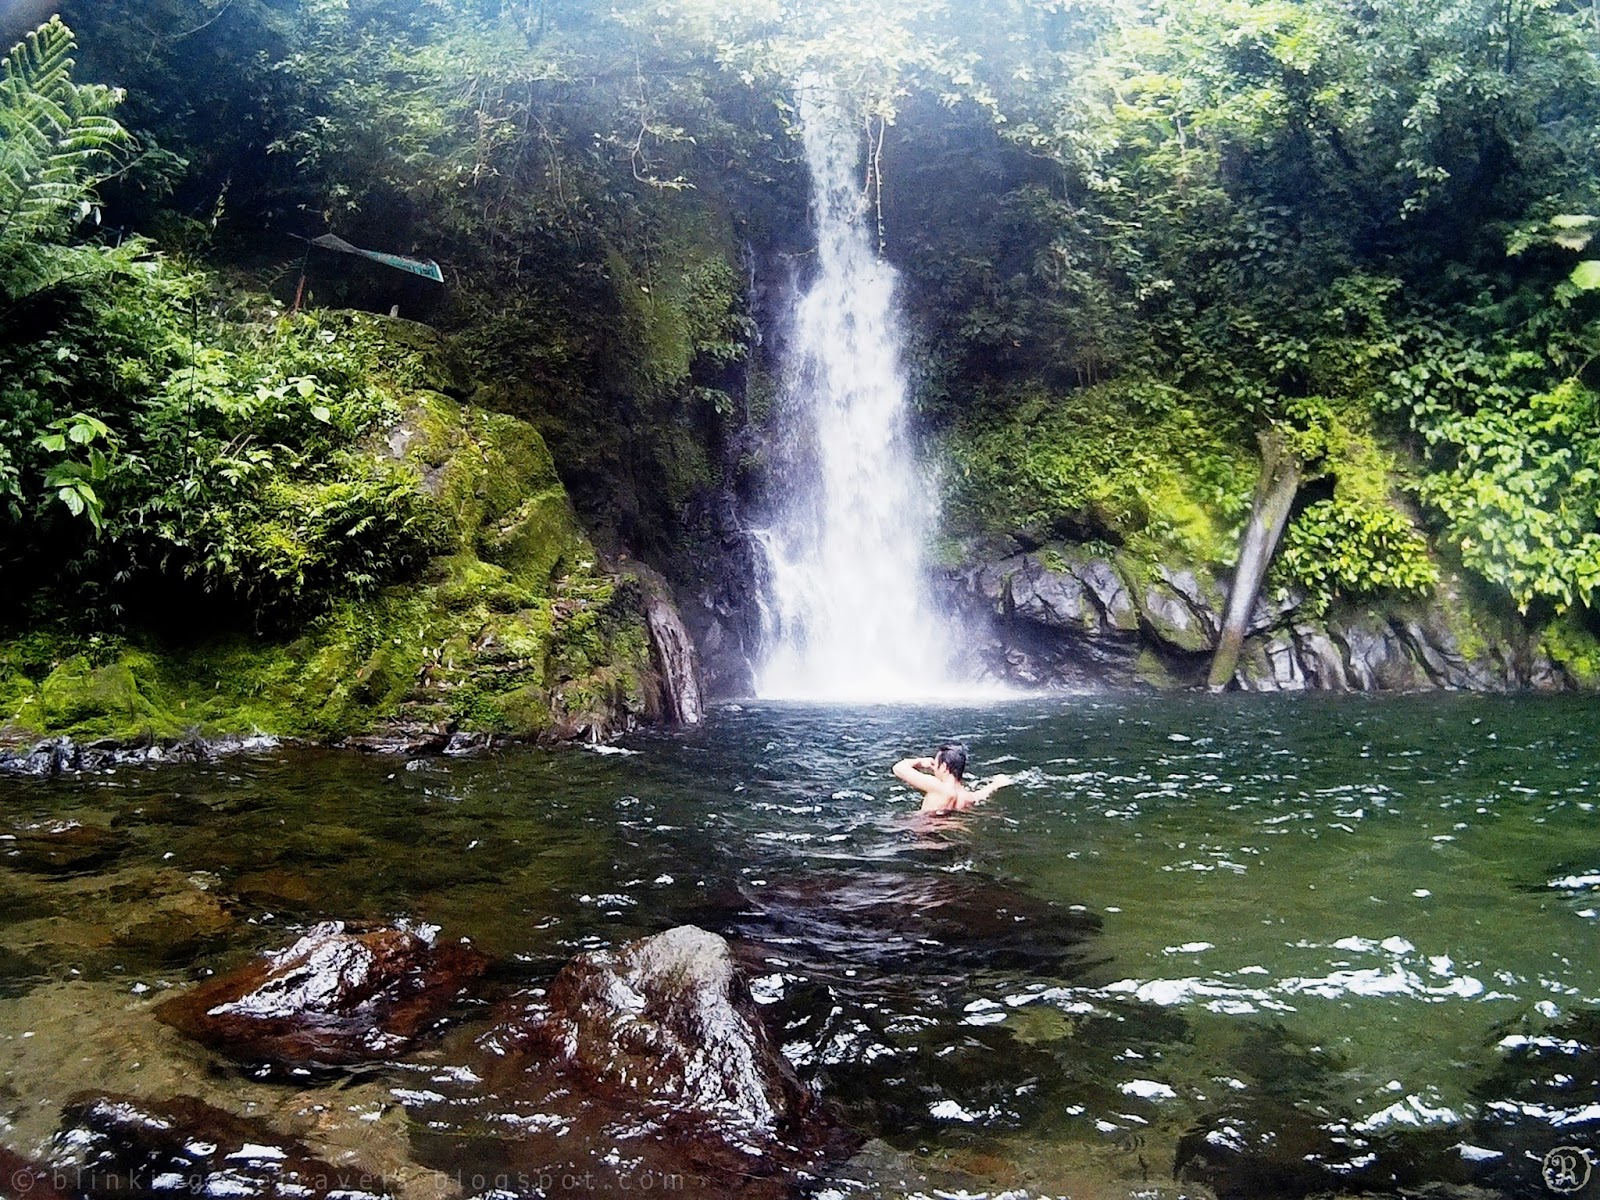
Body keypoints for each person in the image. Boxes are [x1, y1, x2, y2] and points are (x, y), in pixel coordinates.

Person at [893, 742, 1014, 813]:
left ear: (944, 767)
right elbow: (983, 793)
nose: (934, 768)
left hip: (920, 838)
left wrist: (920, 762)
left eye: (935, 764)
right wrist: (995, 784)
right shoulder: (968, 798)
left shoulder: (938, 787)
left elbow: (898, 768)